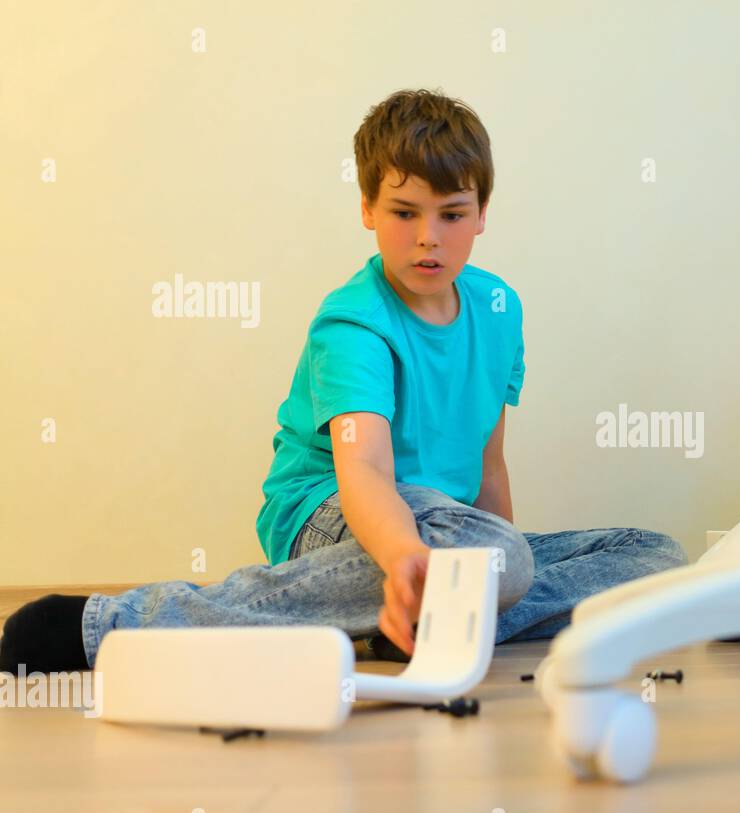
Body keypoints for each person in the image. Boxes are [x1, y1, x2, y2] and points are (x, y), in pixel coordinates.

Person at [1, 88, 687, 674]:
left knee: (655, 556)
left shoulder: (500, 310)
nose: (429, 238)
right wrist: (413, 557)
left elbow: (488, 462)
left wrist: (491, 575)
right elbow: (363, 473)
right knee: (492, 556)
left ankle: (421, 619)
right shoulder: (354, 324)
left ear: (481, 214)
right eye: (403, 212)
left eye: (451, 214)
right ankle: (110, 624)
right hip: (335, 509)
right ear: (367, 207)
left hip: (442, 527)